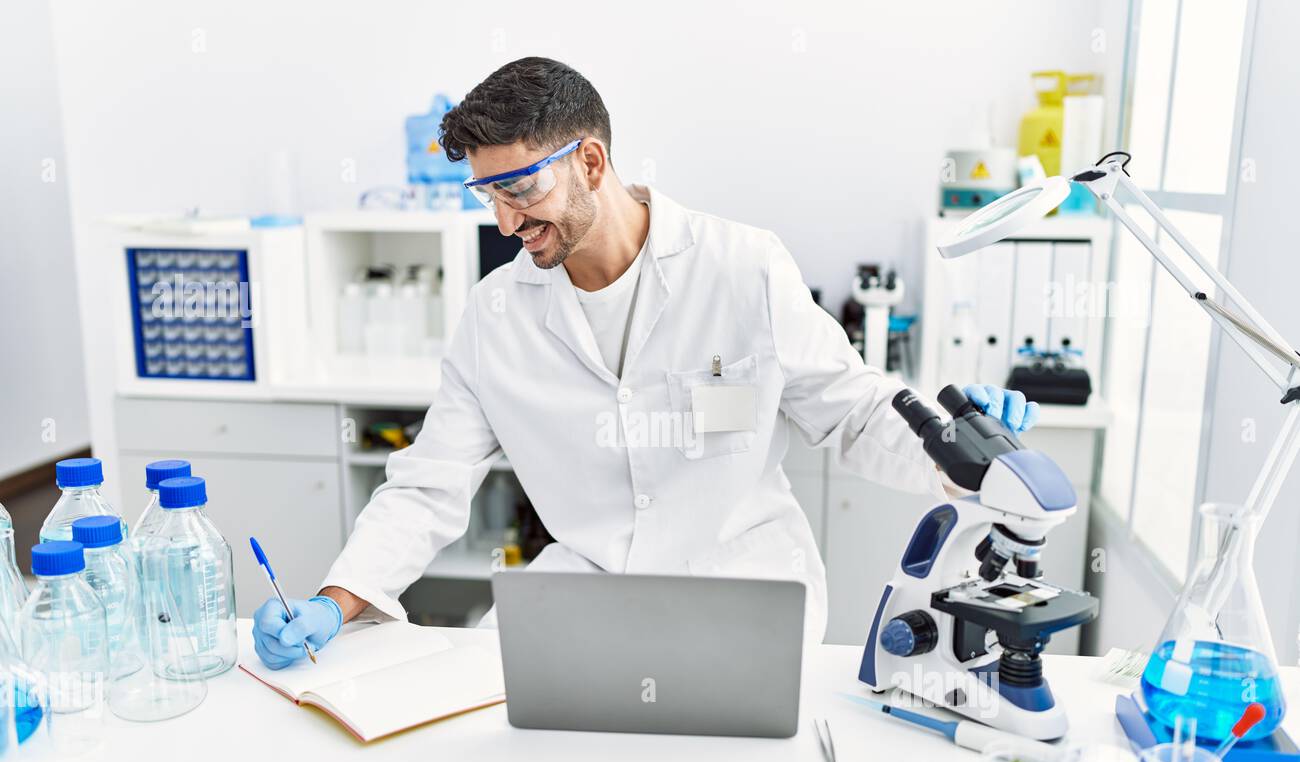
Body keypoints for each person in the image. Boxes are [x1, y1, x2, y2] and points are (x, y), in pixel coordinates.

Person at [252, 57, 1038, 668]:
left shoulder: (741, 267)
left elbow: (856, 412)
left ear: (590, 162)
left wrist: (959, 456)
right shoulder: (497, 316)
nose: (501, 221)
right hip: (585, 596)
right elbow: (429, 484)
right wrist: (338, 598)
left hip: (746, 594)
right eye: (484, 193)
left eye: (518, 187)